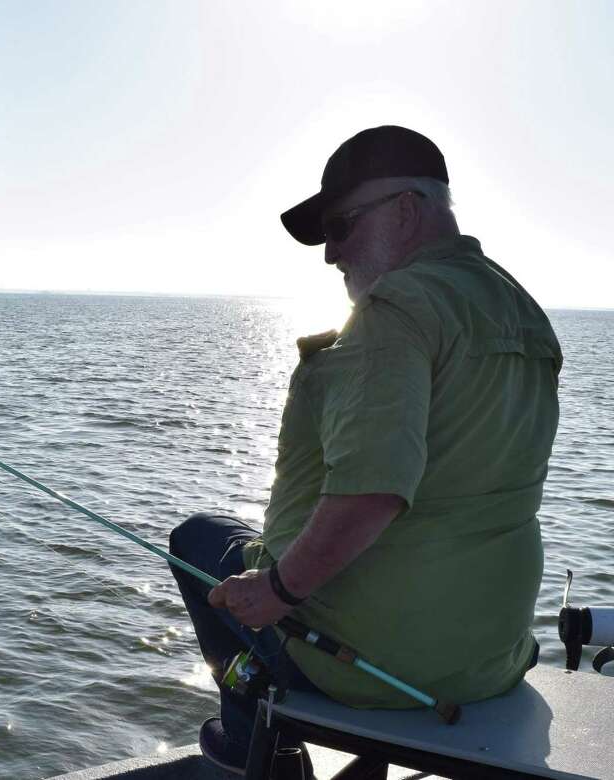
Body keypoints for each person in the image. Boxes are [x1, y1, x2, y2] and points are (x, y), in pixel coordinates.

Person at [169, 125, 562, 774]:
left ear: (407, 211)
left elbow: (374, 490)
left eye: (342, 227)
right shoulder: (525, 313)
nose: (330, 254)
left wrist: (279, 589)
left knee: (197, 539)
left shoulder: (397, 303)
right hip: (492, 656)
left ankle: (252, 742)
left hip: (376, 662)